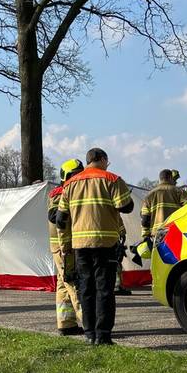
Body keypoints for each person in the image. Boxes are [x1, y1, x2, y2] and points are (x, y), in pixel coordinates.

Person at [55, 147, 133, 345]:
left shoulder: (70, 184)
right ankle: (103, 335)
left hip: (80, 245)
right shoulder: (112, 179)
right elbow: (126, 206)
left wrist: (66, 244)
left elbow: (61, 219)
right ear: (102, 159)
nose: (108, 164)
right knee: (104, 290)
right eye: (107, 161)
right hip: (105, 243)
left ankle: (89, 334)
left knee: (86, 289)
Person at [47, 158, 85, 335]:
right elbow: (54, 216)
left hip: (62, 245)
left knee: (63, 284)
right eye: (75, 175)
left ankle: (66, 323)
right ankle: (90, 323)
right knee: (74, 282)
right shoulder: (59, 193)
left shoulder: (68, 191)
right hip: (64, 246)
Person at [140, 169, 187, 246]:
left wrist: (145, 235)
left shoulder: (149, 195)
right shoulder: (179, 192)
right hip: (175, 233)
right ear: (170, 178)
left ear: (160, 179)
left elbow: (145, 219)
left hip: (156, 236)